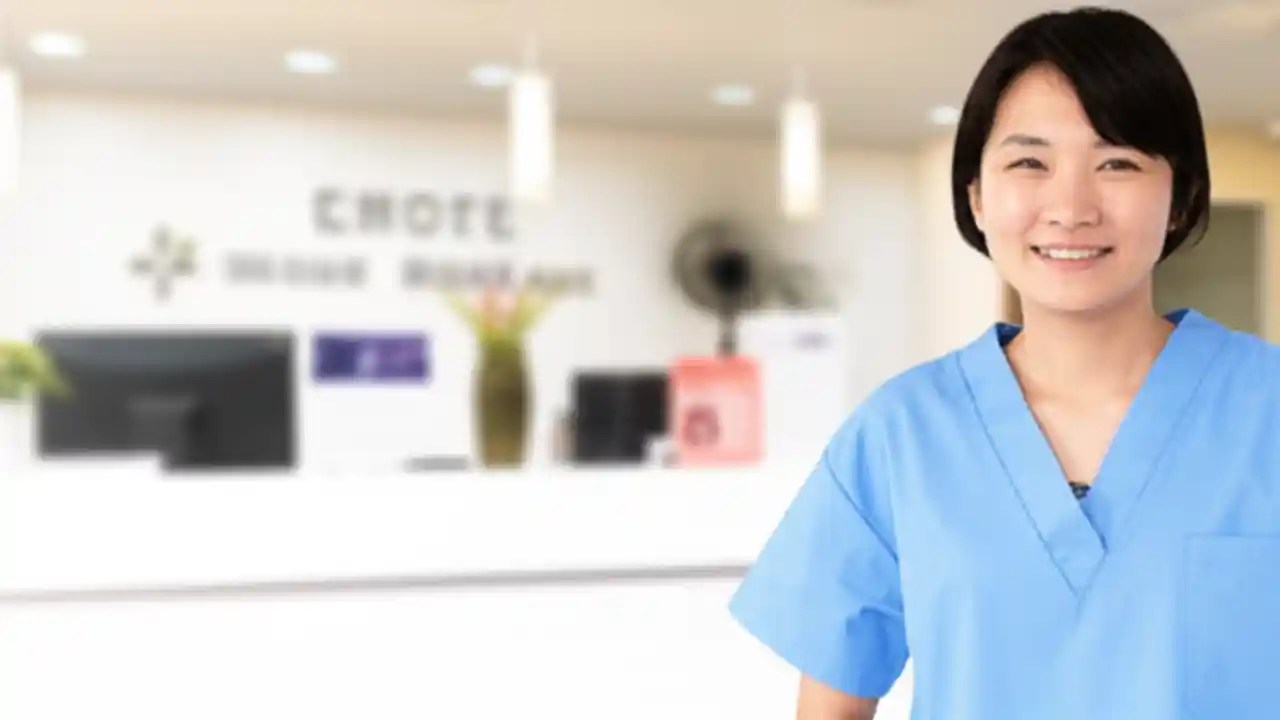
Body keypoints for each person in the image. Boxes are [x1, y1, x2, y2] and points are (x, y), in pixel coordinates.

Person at [729, 6, 1280, 720]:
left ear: (1180, 198)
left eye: (1117, 163)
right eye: (1030, 163)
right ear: (977, 197)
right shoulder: (900, 437)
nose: (1071, 206)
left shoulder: (1266, 411)